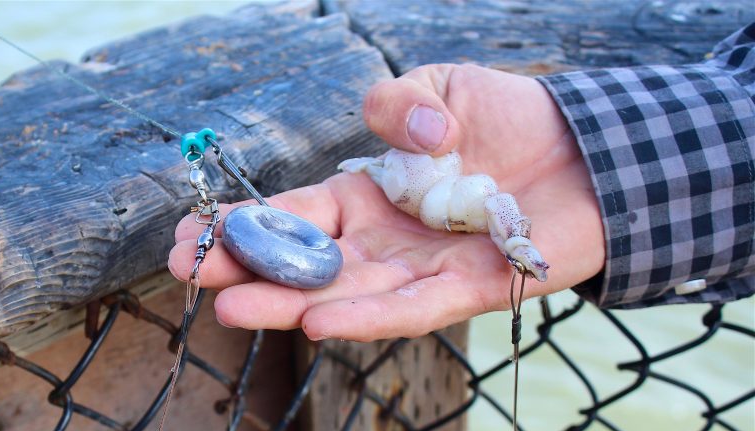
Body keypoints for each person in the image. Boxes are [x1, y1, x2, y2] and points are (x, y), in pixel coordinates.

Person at [168, 24, 754, 343]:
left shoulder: (464, 194)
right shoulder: (449, 186)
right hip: (415, 184)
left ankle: (516, 237)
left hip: (423, 188)